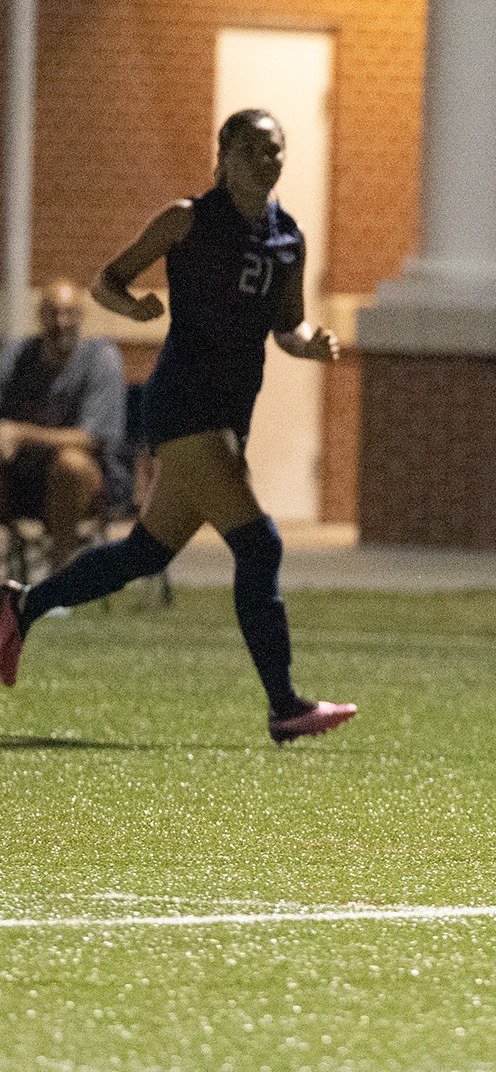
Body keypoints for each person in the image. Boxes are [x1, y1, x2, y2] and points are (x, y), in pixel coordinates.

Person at [0, 108, 356, 742]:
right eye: (253, 150)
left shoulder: (289, 238)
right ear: (224, 156)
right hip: (185, 405)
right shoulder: (187, 219)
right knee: (260, 544)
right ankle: (285, 705)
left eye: (276, 150)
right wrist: (133, 308)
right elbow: (106, 282)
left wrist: (311, 344)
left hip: (231, 411)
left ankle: (20, 606)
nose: (267, 160)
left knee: (145, 553)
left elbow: (288, 325)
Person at [0, 280, 128, 568]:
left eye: (69, 313)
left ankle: (58, 570)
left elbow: (90, 437)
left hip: (89, 483)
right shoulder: (18, 355)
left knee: (70, 463)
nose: (60, 322)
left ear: (81, 316)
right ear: (40, 316)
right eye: (52, 313)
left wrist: (20, 434)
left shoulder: (101, 359)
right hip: (24, 475)